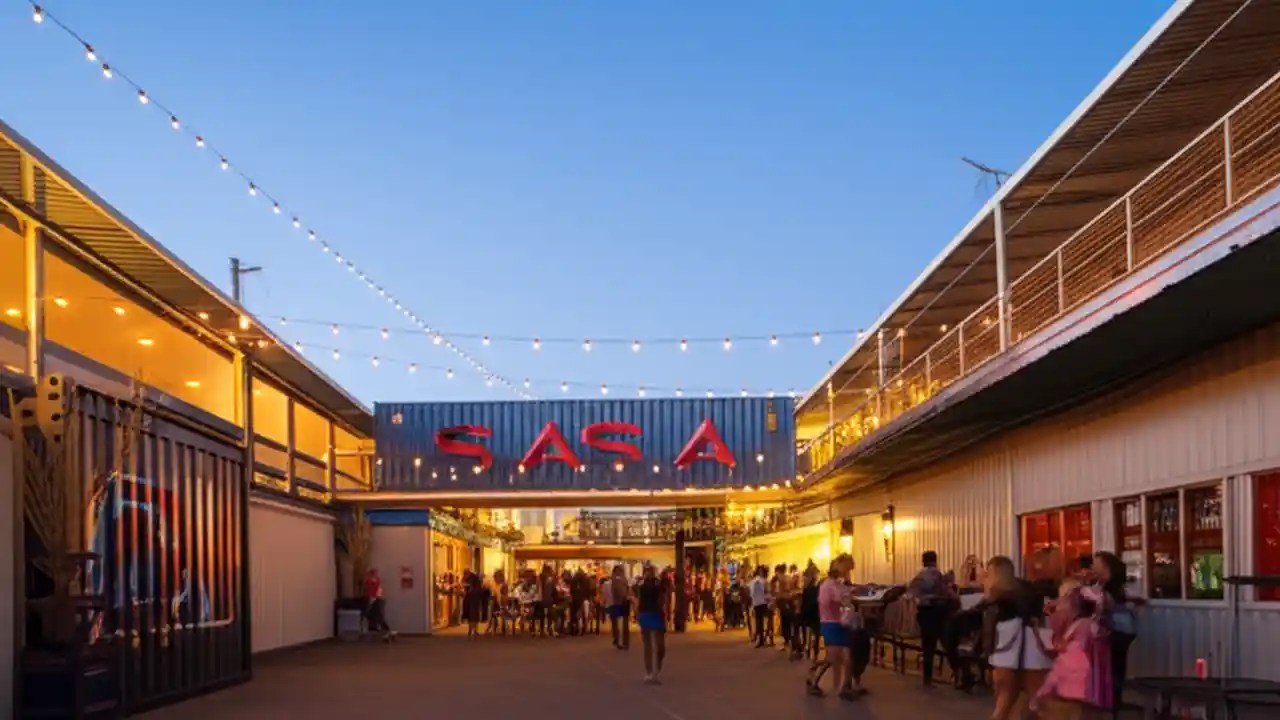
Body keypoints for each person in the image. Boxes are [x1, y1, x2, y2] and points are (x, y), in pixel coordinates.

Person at [984, 555, 1054, 720]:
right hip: (1032, 651)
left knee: (1004, 702)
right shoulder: (1030, 590)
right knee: (1035, 702)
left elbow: (987, 628)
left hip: (1005, 652)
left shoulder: (996, 596)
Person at [805, 554, 858, 701]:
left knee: (847, 657)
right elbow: (829, 601)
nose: (848, 572)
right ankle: (813, 680)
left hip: (842, 623)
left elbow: (846, 596)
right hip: (830, 623)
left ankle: (845, 687)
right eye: (847, 569)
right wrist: (845, 599)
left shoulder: (840, 585)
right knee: (832, 658)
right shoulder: (827, 585)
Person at [1094, 551, 1141, 718]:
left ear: (1105, 567)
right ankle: (1115, 704)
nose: (1093, 567)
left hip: (1115, 629)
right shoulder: (1116, 585)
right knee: (1117, 667)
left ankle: (1111, 705)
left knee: (1112, 667)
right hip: (1126, 628)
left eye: (1097, 564)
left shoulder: (1106, 587)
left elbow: (1104, 606)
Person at [909, 550, 955, 686]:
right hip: (937, 611)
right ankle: (958, 672)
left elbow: (912, 592)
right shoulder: (936, 574)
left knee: (928, 645)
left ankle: (927, 678)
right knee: (947, 642)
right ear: (935, 560)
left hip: (924, 612)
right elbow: (945, 591)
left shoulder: (919, 576)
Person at [636, 565, 669, 684]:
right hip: (645, 613)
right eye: (647, 572)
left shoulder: (658, 585)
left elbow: (663, 598)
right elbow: (639, 599)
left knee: (660, 646)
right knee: (648, 644)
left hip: (656, 614)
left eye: (651, 571)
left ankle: (656, 669)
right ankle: (650, 671)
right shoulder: (640, 585)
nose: (649, 574)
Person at [362, 568, 395, 641]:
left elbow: (372, 591)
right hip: (378, 599)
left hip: (376, 599)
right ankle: (381, 630)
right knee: (376, 615)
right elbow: (374, 590)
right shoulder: (375, 581)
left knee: (376, 615)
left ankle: (382, 630)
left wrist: (372, 599)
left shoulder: (372, 581)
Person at [800, 562, 822, 663]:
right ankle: (814, 654)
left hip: (808, 612)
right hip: (815, 613)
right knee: (816, 633)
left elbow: (803, 601)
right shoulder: (816, 587)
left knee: (810, 632)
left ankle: (809, 650)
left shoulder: (807, 588)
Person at [608, 565, 632, 650]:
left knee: (623, 623)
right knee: (616, 622)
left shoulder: (621, 579)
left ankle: (623, 642)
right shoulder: (615, 579)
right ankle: (617, 639)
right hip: (616, 602)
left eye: (620, 570)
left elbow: (628, 589)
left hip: (622, 602)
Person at [750, 565, 771, 648]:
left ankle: (762, 638)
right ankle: (761, 639)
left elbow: (752, 593)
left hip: (761, 602)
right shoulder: (760, 581)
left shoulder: (760, 581)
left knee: (761, 621)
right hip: (759, 602)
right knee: (760, 622)